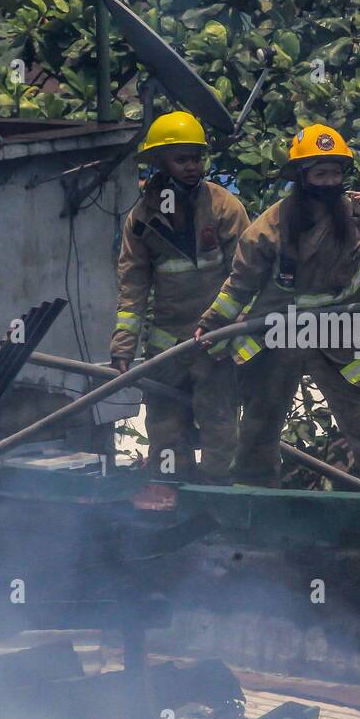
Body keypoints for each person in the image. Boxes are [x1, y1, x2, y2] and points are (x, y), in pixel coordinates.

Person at [193, 124, 360, 492]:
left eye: (335, 172)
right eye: (320, 173)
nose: (329, 182)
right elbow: (240, 285)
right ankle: (254, 501)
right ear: (301, 176)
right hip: (282, 334)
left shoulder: (358, 217)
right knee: (260, 424)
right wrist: (212, 323)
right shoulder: (270, 227)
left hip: (341, 335)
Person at [110, 111, 249, 504]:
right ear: (161, 163)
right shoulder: (141, 221)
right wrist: (123, 346)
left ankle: (216, 503)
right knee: (167, 433)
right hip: (166, 349)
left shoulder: (224, 208)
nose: (192, 167)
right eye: (181, 159)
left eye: (196, 158)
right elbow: (132, 287)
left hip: (215, 344)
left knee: (221, 429)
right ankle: (170, 503)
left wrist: (230, 328)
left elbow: (246, 275)